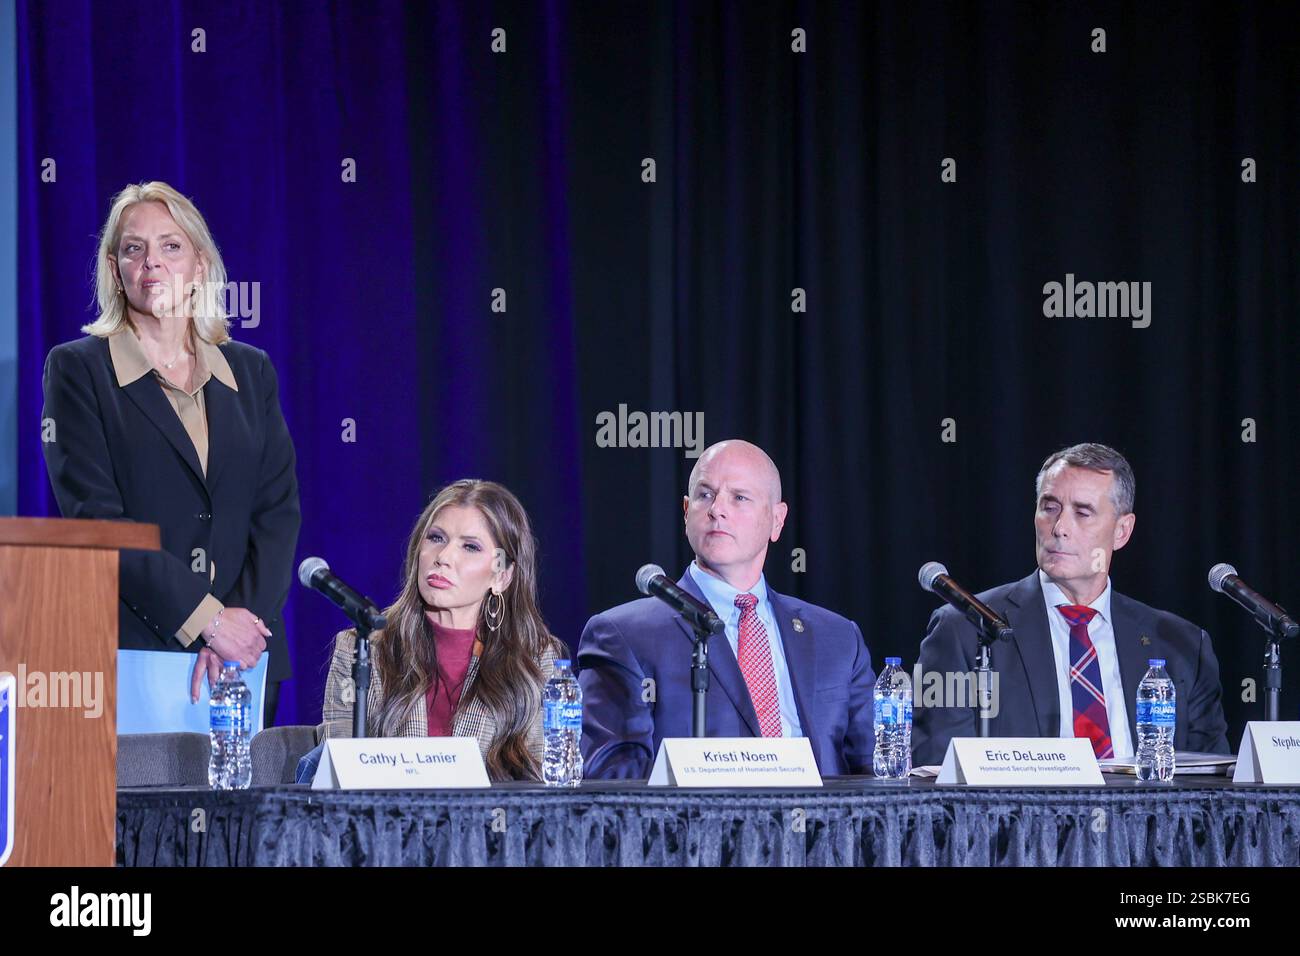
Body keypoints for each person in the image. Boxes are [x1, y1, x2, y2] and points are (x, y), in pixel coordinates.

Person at [41, 181, 300, 725]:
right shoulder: (78, 370)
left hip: (244, 664)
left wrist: (237, 628)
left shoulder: (251, 371)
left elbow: (276, 513)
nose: (152, 263)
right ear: (116, 270)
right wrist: (207, 620)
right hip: (135, 657)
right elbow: (97, 523)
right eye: (134, 249)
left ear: (200, 265)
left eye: (170, 246)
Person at [913, 442, 1230, 765]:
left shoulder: (1183, 646)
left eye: (1082, 512)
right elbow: (937, 776)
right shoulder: (961, 629)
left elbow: (1211, 788)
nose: (1059, 528)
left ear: (1122, 531)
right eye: (1049, 507)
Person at [576, 439, 877, 779]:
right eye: (705, 495)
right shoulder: (623, 635)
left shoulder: (838, 639)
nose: (717, 509)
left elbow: (880, 773)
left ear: (777, 520)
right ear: (686, 511)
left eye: (739, 497)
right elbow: (612, 776)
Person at [301, 480, 565, 783]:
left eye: (470, 546)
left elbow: (547, 785)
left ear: (502, 577)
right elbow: (337, 780)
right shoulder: (362, 648)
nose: (444, 557)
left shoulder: (535, 658)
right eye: (436, 538)